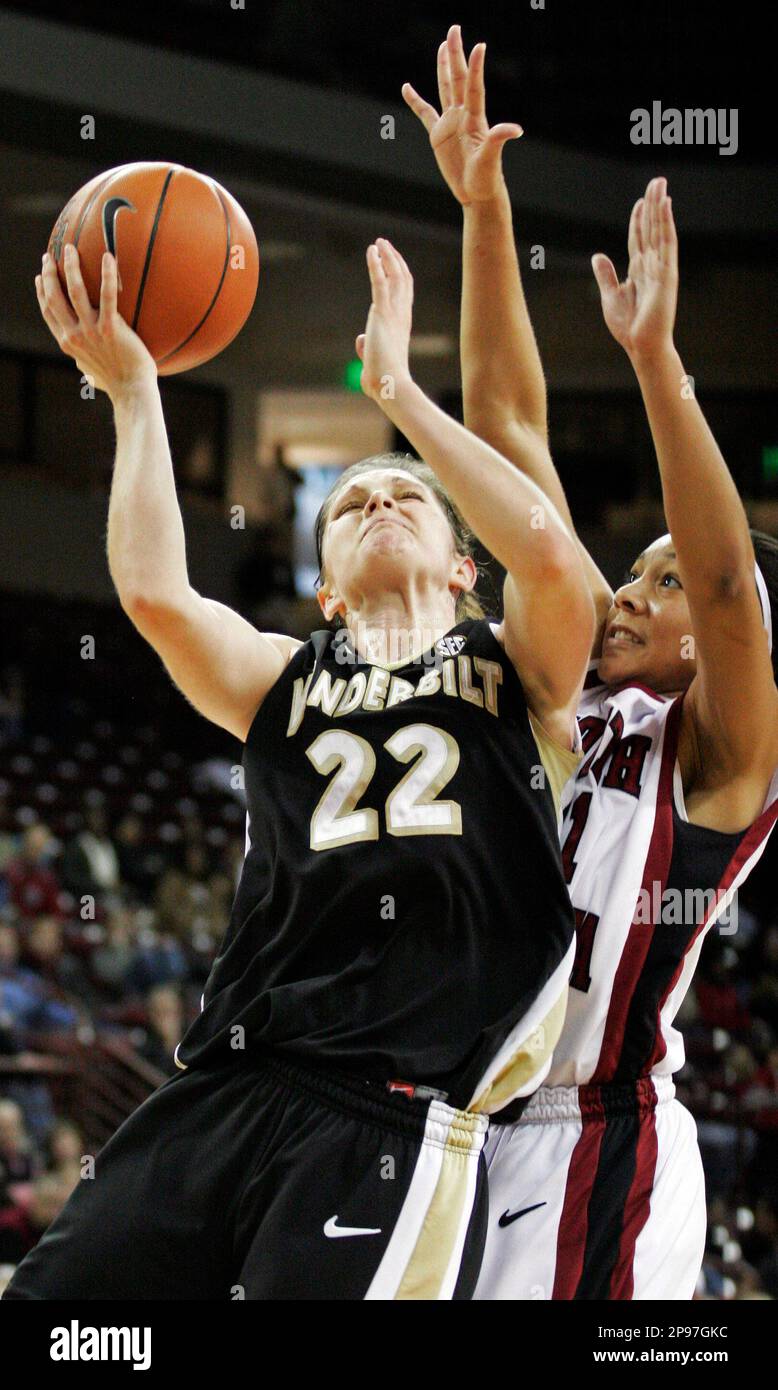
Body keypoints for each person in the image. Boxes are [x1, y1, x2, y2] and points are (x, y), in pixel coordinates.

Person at [4, 213, 594, 1300]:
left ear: (465, 569)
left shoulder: (522, 669)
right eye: (353, 502)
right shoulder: (282, 674)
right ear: (323, 588)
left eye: (405, 494)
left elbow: (553, 556)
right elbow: (153, 595)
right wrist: (135, 395)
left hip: (391, 1111)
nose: (377, 501)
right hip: (229, 1078)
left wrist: (401, 401)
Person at [405, 26, 778, 1299]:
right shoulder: (566, 678)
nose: (630, 583)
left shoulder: (723, 759)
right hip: (460, 1127)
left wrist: (656, 364)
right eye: (642, 562)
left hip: (597, 1143)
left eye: (659, 580)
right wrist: (482, 205)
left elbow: (731, 581)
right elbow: (508, 427)